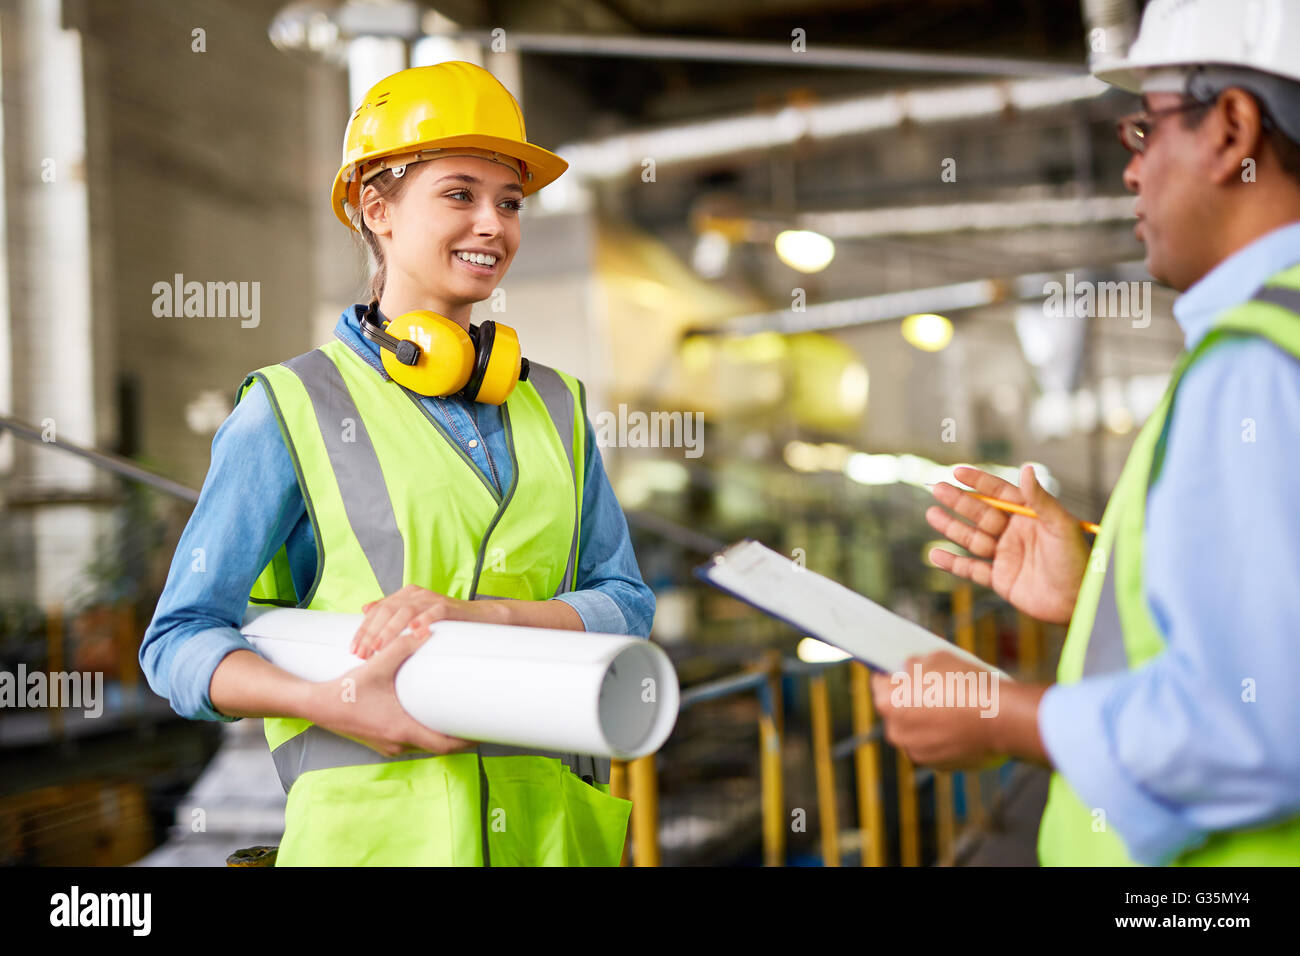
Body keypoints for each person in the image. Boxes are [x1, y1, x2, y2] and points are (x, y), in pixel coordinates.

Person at [140, 61, 656, 866]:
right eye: (460, 195)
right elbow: (176, 643)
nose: (494, 224)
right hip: (376, 845)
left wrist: (485, 615)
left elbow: (626, 602)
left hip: (553, 845)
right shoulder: (289, 408)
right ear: (376, 210)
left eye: (510, 202)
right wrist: (329, 699)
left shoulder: (557, 405)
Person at [871, 0, 1300, 865]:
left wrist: (1001, 717)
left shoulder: (1257, 362)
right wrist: (1097, 585)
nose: (1133, 174)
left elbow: (1253, 730)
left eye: (1145, 131)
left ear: (1231, 130)